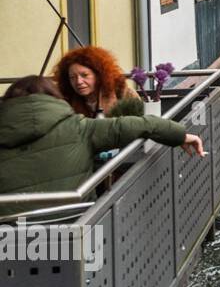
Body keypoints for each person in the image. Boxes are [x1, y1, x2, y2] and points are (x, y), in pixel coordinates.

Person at [0, 76, 204, 209]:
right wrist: (181, 135)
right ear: (55, 99)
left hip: (10, 240)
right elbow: (142, 124)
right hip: (73, 228)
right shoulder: (80, 127)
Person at [54, 46, 143, 118]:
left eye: (85, 75)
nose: (78, 81)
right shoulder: (66, 98)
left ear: (99, 75)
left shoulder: (122, 91)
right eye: (72, 77)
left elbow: (139, 122)